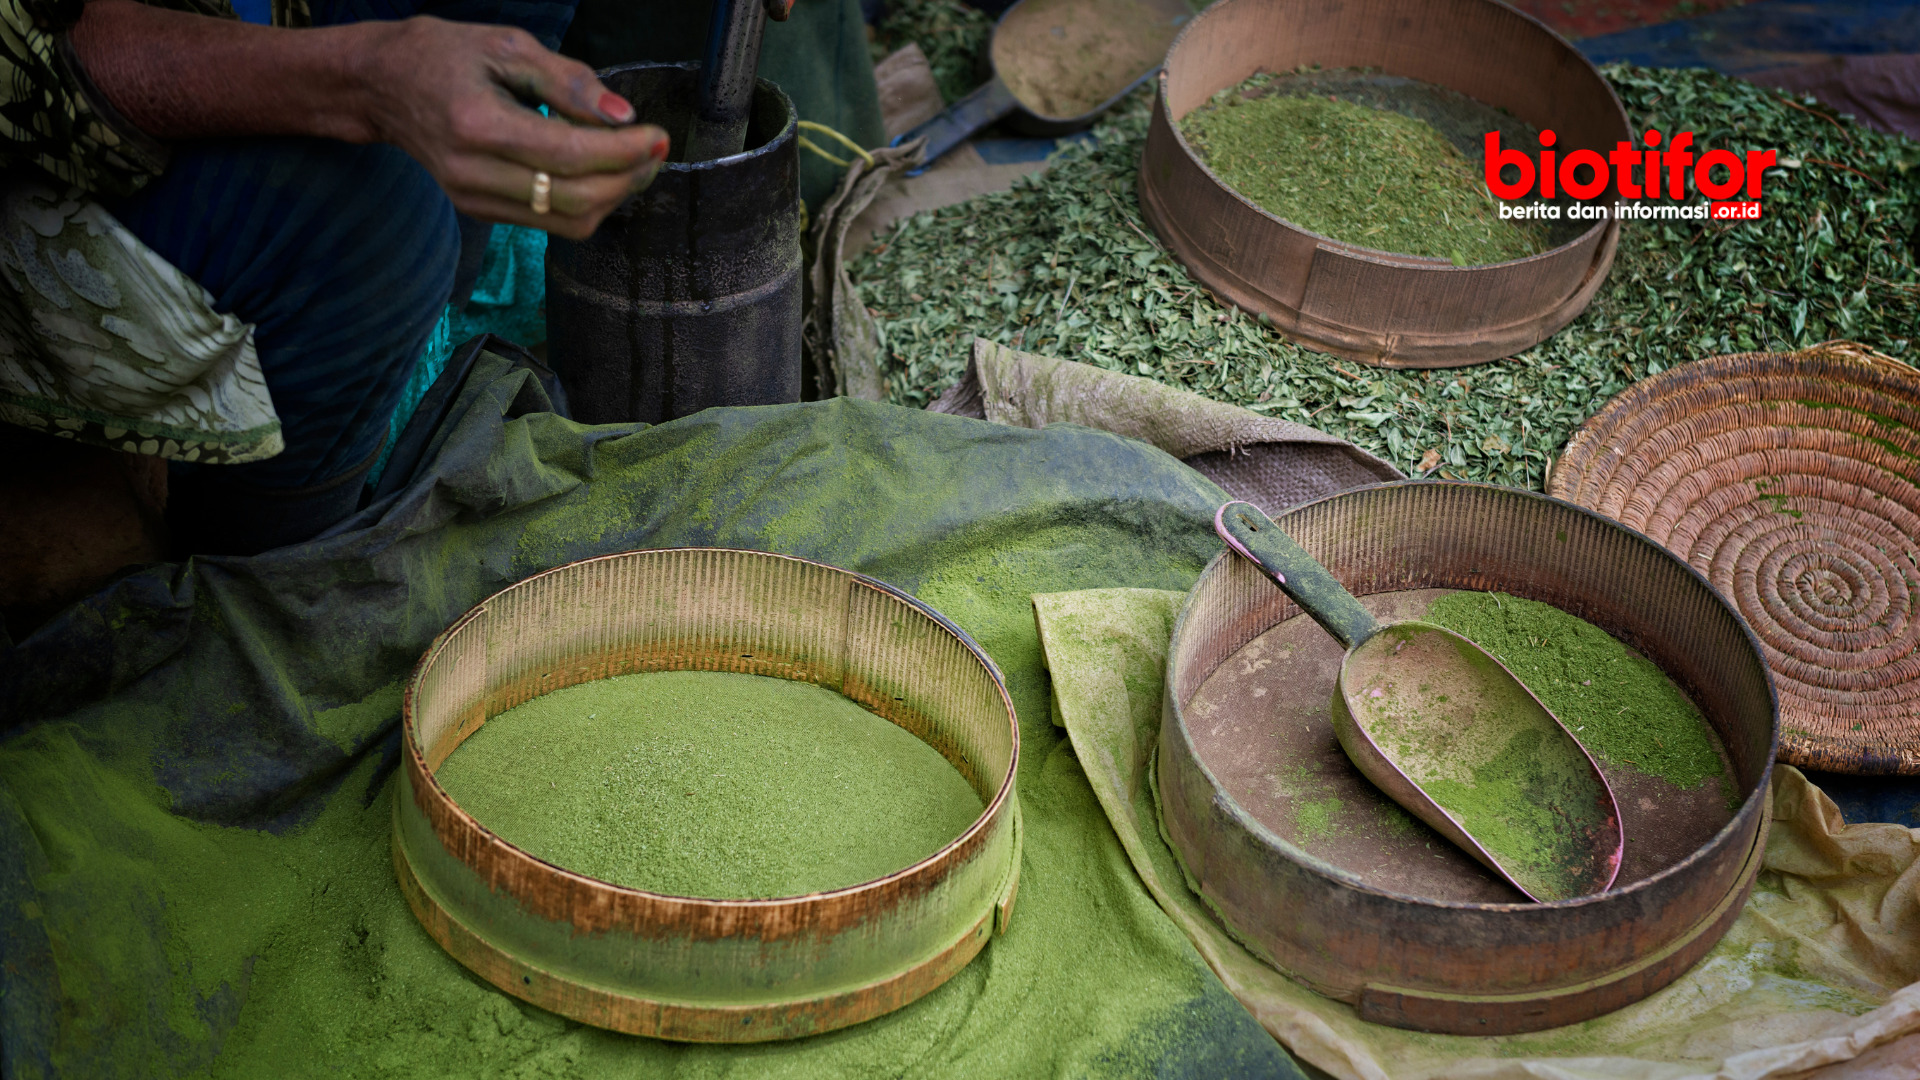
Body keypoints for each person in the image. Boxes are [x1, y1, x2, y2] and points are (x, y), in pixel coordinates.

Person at [0, 0, 668, 555]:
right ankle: (250, 594)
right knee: (380, 222)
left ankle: (400, 402)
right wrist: (362, 81)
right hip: (54, 112)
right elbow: (34, 52)